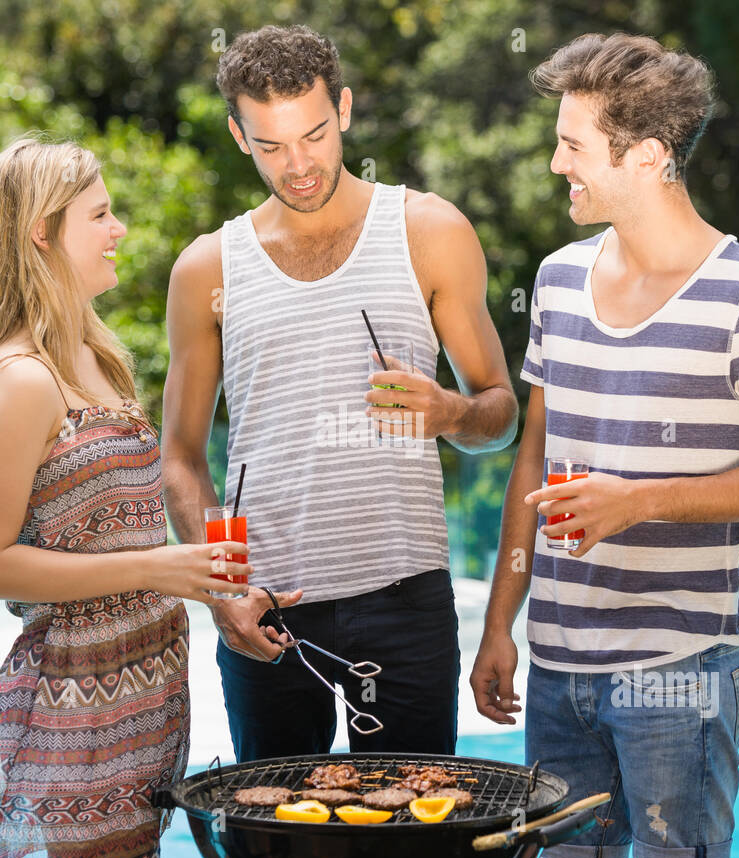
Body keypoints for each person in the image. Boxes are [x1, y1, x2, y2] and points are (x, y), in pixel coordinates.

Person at [471, 33, 739, 858]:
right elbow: (534, 456)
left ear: (647, 157)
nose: (556, 163)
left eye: (573, 145)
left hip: (682, 674)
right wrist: (501, 622)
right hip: (558, 670)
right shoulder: (559, 280)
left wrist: (640, 500)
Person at [162, 25, 518, 761]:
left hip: (404, 598)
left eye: (315, 135)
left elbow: (500, 413)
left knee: (411, 829)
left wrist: (450, 412)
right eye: (270, 145)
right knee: (279, 830)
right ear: (237, 135)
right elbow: (181, 458)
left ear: (346, 109)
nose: (297, 165)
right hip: (264, 608)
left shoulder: (429, 230)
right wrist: (221, 590)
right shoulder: (205, 269)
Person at [0, 135, 250, 858]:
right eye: (100, 215)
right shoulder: (18, 379)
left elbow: (120, 542)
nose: (121, 231)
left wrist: (211, 587)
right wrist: (158, 569)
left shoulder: (94, 354)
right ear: (42, 232)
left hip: (139, 717)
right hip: (73, 735)